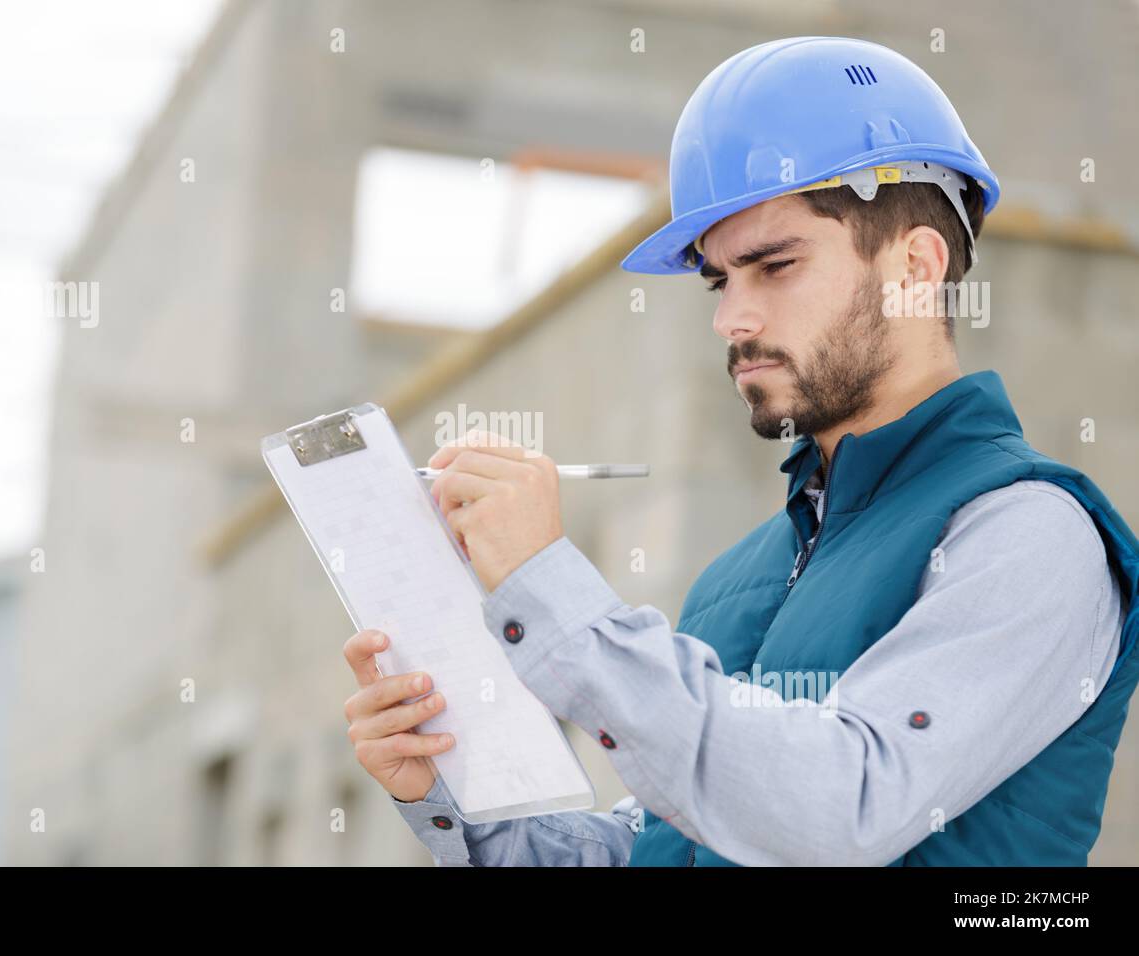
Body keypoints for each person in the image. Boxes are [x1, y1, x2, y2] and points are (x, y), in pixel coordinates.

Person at [340, 36, 1139, 865]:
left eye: (776, 267)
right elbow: (665, 847)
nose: (732, 320)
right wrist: (455, 794)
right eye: (722, 282)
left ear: (916, 265)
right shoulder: (742, 574)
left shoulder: (1028, 537)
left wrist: (553, 593)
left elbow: (844, 807)